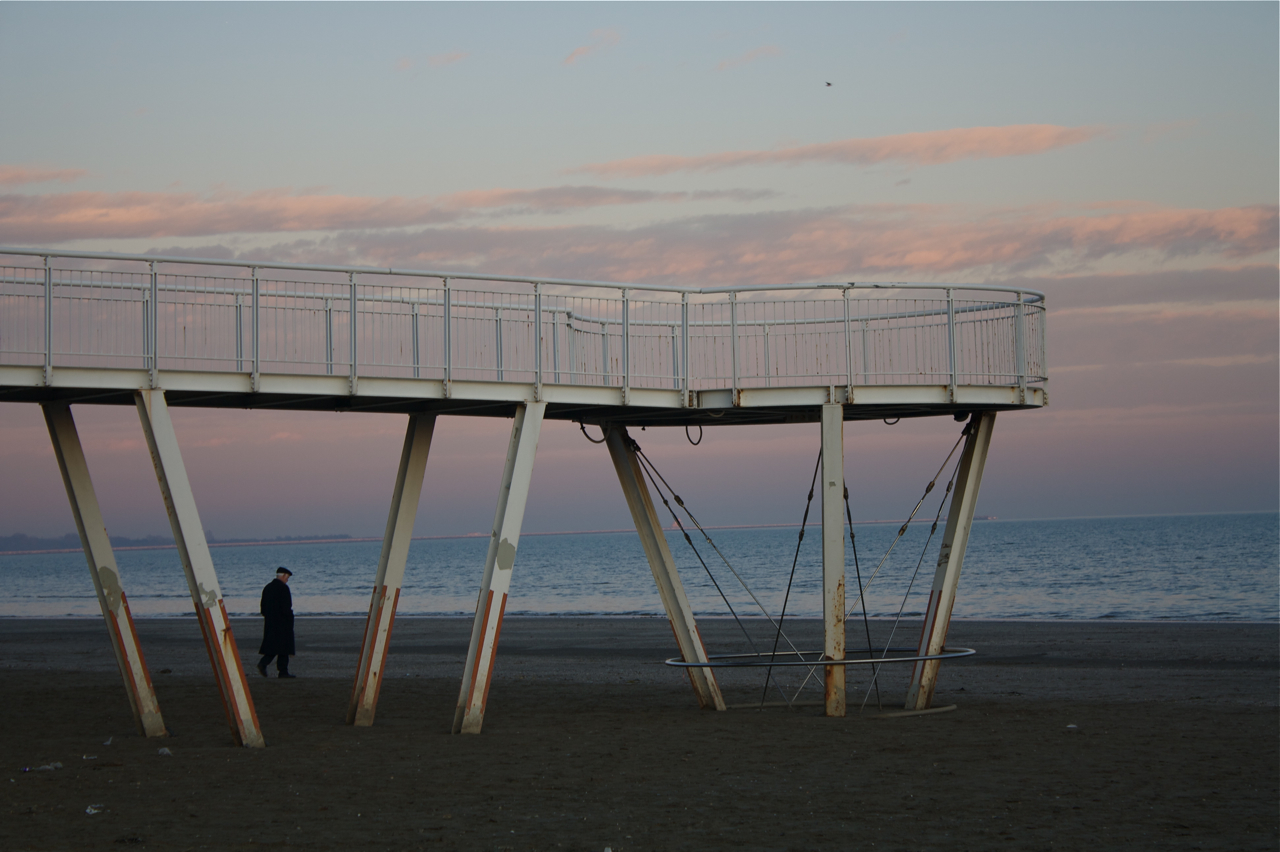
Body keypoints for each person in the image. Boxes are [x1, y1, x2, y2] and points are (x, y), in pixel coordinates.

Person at [257, 567, 296, 678]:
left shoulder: (267, 588)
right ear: (283, 576)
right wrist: (289, 619)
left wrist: (269, 617)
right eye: (287, 577)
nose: (287, 580)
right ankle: (282, 671)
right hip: (283, 622)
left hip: (270, 622)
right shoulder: (284, 588)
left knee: (273, 646)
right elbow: (287, 607)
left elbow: (263, 608)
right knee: (284, 647)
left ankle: (265, 663)